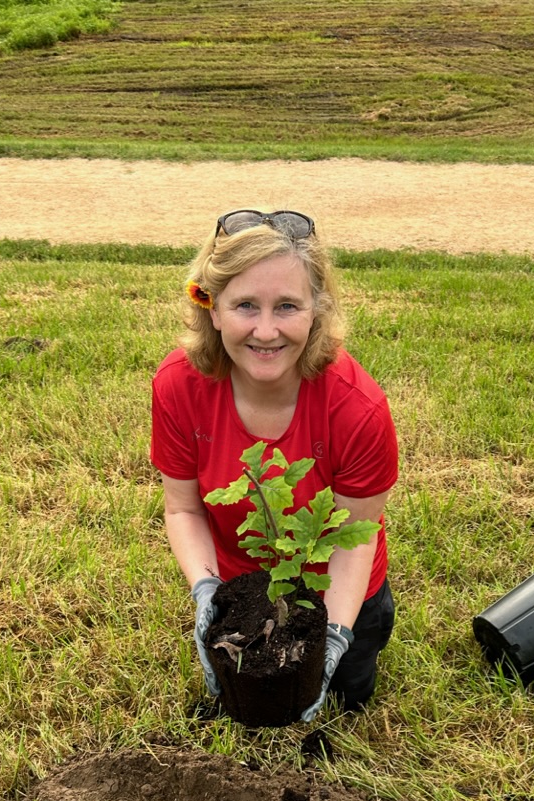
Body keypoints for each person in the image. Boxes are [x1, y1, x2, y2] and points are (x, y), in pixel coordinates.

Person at [150, 209, 398, 721]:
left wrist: (335, 635)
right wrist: (205, 592)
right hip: (241, 591)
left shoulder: (357, 407)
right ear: (212, 307)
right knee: (239, 703)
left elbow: (355, 534)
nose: (265, 331)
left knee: (347, 701)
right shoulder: (179, 386)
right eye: (245, 305)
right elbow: (184, 510)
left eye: (287, 306)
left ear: (317, 310)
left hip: (340, 592)